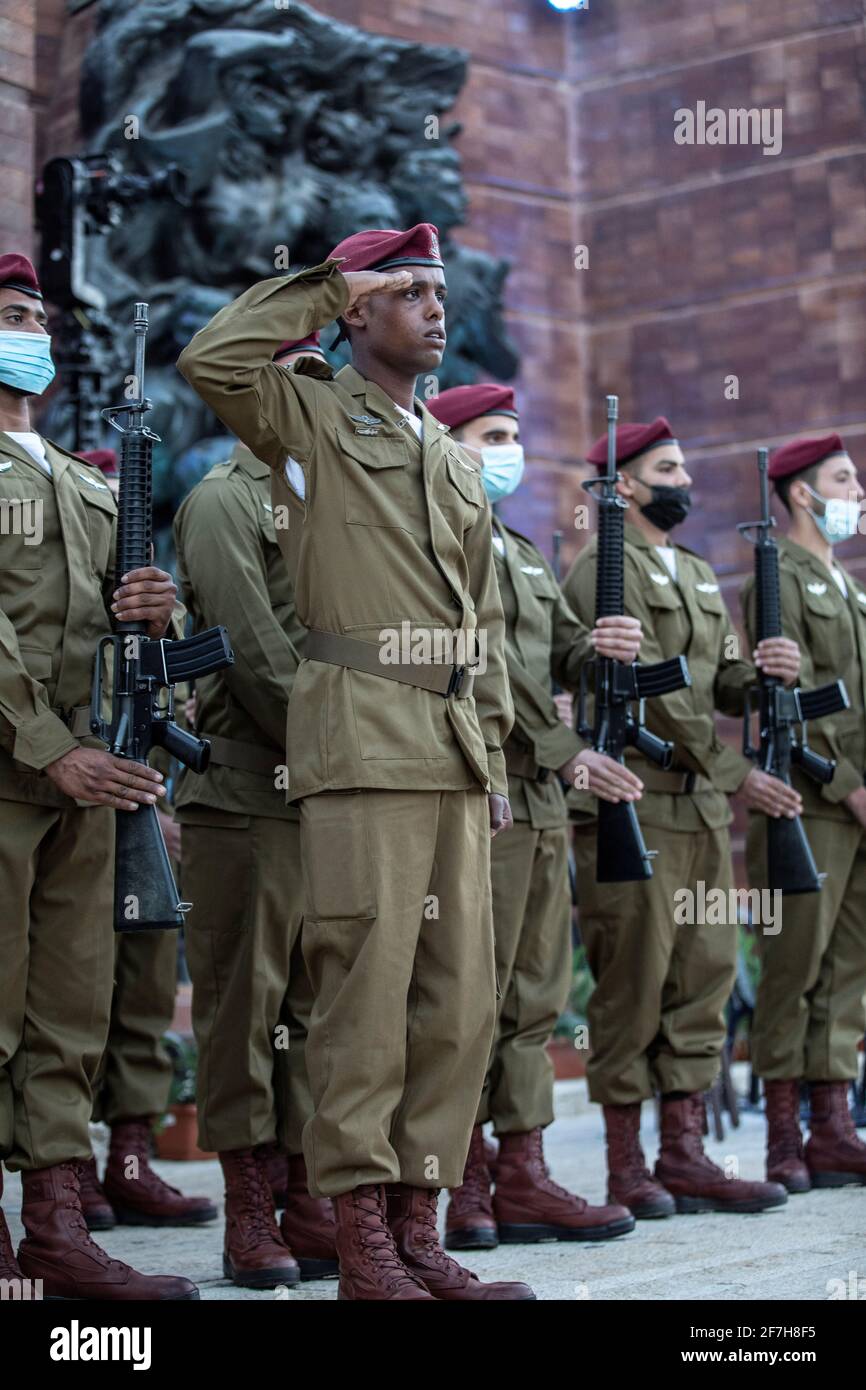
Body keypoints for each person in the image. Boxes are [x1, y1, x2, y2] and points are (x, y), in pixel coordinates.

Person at [178, 223, 534, 1300]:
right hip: (360, 733)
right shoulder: (312, 419)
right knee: (362, 997)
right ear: (358, 312)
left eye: (437, 293)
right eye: (406, 291)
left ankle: (422, 1228)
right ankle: (358, 1232)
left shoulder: (446, 454)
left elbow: (477, 619)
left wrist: (496, 757)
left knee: (455, 999)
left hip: (449, 747)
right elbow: (214, 360)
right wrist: (333, 280)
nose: (431, 308)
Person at [0, 253, 197, 1299]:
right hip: (17, 773)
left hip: (91, 780)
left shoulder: (81, 479)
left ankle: (57, 1220)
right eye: (8, 313)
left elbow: (117, 633)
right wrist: (49, 745)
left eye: (33, 313)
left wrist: (156, 615)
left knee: (69, 1007)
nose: (26, 327)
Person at [562, 415, 799, 1218]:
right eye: (667, 468)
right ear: (623, 486)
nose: (684, 483)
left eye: (684, 468)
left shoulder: (697, 571)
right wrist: (737, 773)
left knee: (702, 976)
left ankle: (686, 1153)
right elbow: (644, 692)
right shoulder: (604, 565)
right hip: (638, 800)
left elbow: (719, 686)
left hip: (696, 812)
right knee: (634, 981)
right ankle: (629, 1165)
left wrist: (767, 674)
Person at [427, 384, 640, 1249]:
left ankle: (524, 1172)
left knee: (537, 993)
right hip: (493, 784)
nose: (511, 450)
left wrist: (601, 646)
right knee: (477, 989)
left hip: (546, 794)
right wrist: (562, 747)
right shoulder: (443, 529)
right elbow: (475, 657)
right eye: (494, 436)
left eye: (515, 434)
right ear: (450, 445)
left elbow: (552, 649)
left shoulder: (516, 547)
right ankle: (470, 1180)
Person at [173, 334, 338, 1289]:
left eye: (323, 384)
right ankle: (248, 1211)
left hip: (327, 790)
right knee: (247, 1008)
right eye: (294, 383)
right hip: (248, 792)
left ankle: (311, 1197)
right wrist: (345, 746)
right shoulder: (222, 500)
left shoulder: (339, 506)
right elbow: (249, 646)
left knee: (317, 1009)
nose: (311, 401)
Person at [60, 448, 217, 1234]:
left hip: (150, 808)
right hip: (75, 805)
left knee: (147, 996)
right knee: (72, 999)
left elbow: (181, 699)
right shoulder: (59, 589)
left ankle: (129, 1160)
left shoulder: (150, 600)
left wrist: (165, 618)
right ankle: (70, 1171)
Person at [741, 433, 866, 1191]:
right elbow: (793, 697)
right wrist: (850, 784)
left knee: (849, 967)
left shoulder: (849, 583)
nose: (859, 492)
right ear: (800, 493)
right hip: (811, 798)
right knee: (796, 965)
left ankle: (836, 1126)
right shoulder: (779, 573)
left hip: (855, 805)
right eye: (845, 479)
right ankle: (784, 1138)